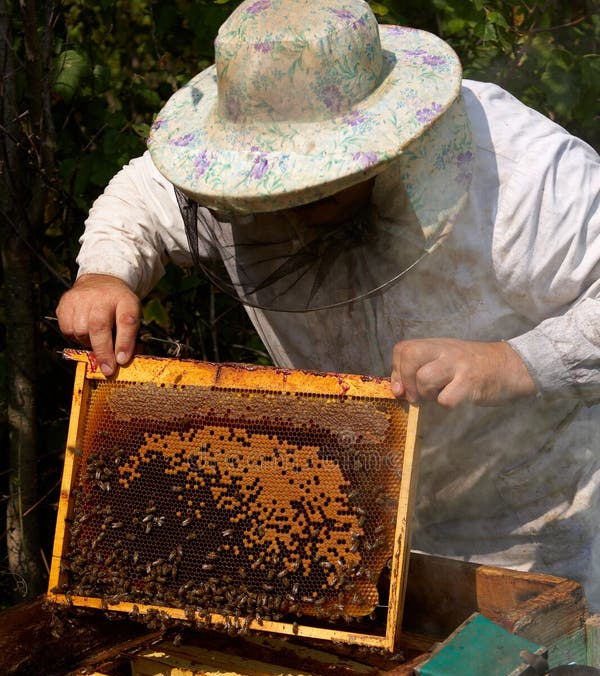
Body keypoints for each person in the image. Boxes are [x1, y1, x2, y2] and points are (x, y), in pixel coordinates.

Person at [56, 0, 600, 612]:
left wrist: (516, 361)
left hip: (528, 537)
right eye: (269, 188)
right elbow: (143, 194)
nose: (286, 205)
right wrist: (104, 271)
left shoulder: (522, 175)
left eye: (313, 187)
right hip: (338, 535)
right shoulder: (228, 170)